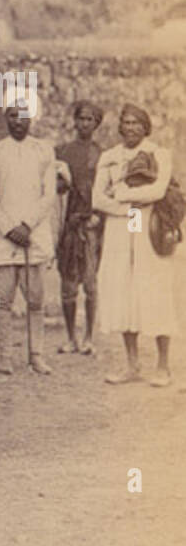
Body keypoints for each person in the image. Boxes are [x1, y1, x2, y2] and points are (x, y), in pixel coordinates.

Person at [93, 103, 177, 386]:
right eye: (126, 123)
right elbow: (98, 199)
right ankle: (132, 365)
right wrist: (128, 206)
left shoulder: (159, 153)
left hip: (149, 228)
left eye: (136, 123)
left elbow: (158, 189)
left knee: (154, 287)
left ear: (145, 126)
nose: (130, 128)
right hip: (121, 226)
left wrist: (124, 194)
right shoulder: (110, 157)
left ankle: (163, 366)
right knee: (123, 289)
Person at [0, 89, 56, 375]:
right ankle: (5, 357)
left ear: (32, 118)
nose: (18, 121)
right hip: (4, 237)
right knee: (2, 302)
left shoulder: (44, 150)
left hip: (34, 234)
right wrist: (8, 228)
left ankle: (36, 355)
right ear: (5, 118)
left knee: (35, 301)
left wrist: (27, 225)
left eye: (23, 116)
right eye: (12, 115)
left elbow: (48, 195)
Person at [55, 100, 105, 354]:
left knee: (91, 283)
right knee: (68, 282)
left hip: (93, 225)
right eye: (81, 118)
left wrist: (97, 215)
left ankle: (88, 337)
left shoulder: (102, 154)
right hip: (68, 224)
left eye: (90, 119)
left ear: (96, 124)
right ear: (74, 121)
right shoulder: (61, 151)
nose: (84, 124)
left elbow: (108, 191)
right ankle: (70, 337)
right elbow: (54, 186)